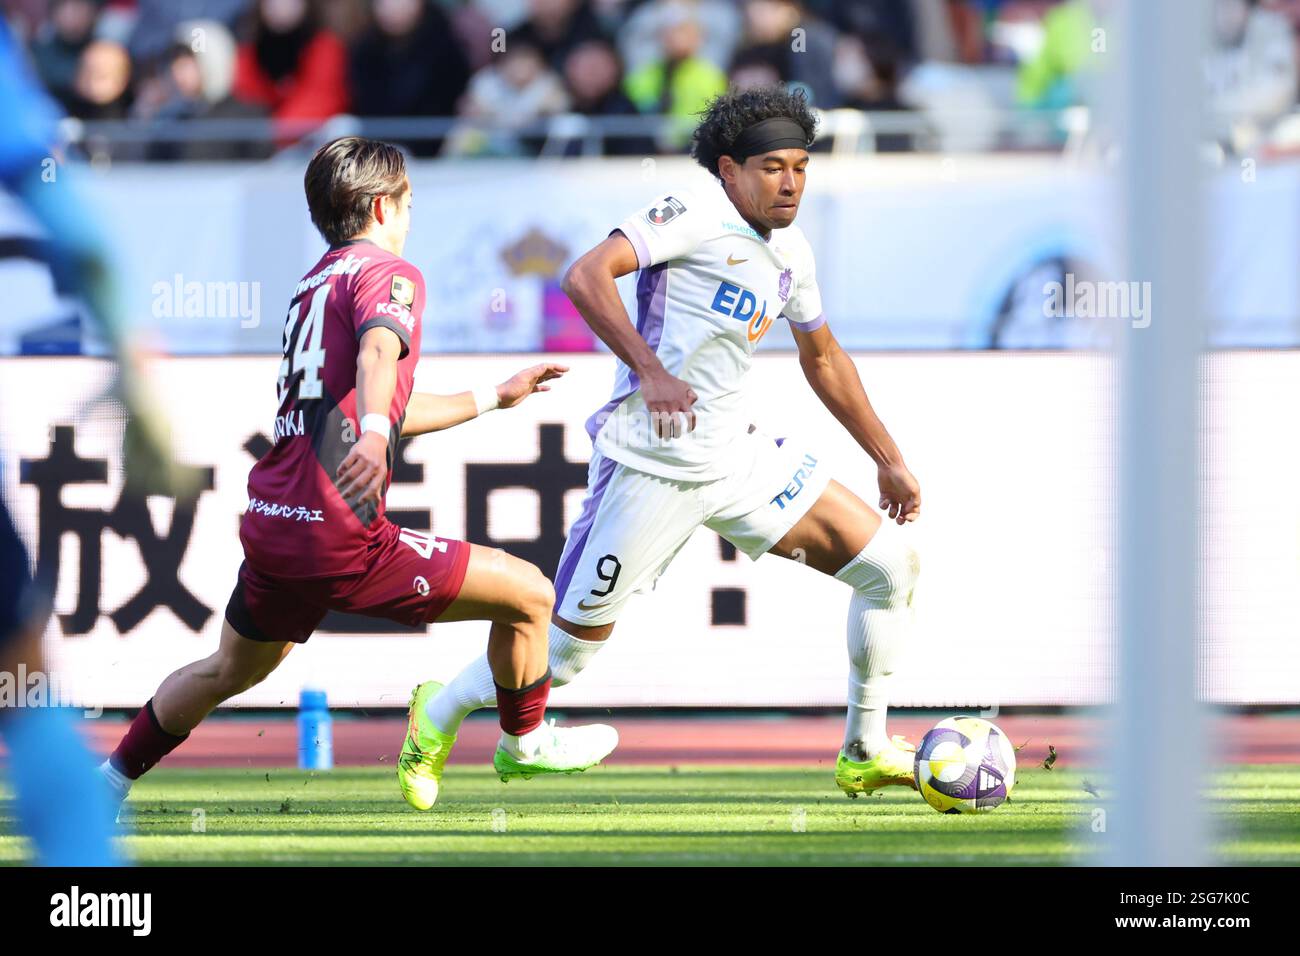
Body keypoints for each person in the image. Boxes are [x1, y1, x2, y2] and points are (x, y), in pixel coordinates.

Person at [425, 87, 924, 799]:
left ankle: (866, 749)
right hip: (649, 465)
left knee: (891, 567)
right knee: (563, 657)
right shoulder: (691, 214)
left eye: (801, 168)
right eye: (773, 167)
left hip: (735, 459)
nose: (791, 184)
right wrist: (651, 371)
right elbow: (584, 274)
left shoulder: (791, 251)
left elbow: (825, 358)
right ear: (728, 170)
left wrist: (889, 459)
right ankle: (436, 714)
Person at [98, 136, 617, 815]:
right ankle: (522, 744)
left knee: (225, 669)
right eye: (407, 203)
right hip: (335, 533)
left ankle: (107, 782)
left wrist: (493, 396)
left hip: (275, 525)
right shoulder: (390, 275)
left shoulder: (312, 286)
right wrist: (375, 436)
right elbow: (379, 356)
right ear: (381, 205)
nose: (409, 216)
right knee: (529, 595)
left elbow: (376, 400)